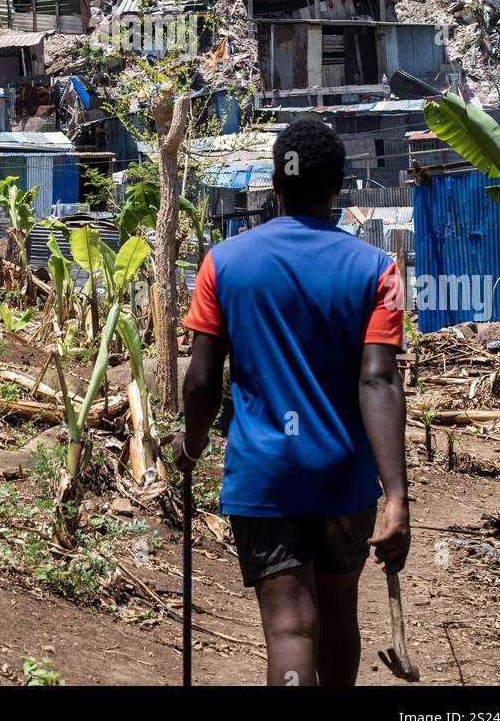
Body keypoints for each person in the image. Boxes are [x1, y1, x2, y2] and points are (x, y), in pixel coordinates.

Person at [173, 118, 409, 687]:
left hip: (266, 473)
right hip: (341, 477)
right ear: (337, 190)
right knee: (338, 615)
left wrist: (193, 442)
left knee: (290, 630)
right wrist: (397, 495)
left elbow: (203, 380)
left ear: (275, 186)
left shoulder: (224, 263)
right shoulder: (376, 269)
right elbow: (378, 382)